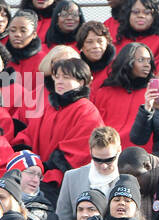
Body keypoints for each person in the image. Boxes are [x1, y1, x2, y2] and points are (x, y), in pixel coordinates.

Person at [11, 57, 103, 190]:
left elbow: (80, 151)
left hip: (62, 182)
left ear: (81, 82)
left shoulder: (87, 111)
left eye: (66, 77)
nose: (59, 81)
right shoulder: (50, 107)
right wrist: (26, 160)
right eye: (57, 76)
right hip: (36, 176)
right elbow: (29, 135)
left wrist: (48, 170)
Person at [4, 10, 46, 75]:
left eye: (23, 31)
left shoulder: (42, 60)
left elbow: (39, 84)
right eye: (13, 30)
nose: (17, 34)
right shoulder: (2, 57)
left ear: (34, 34)